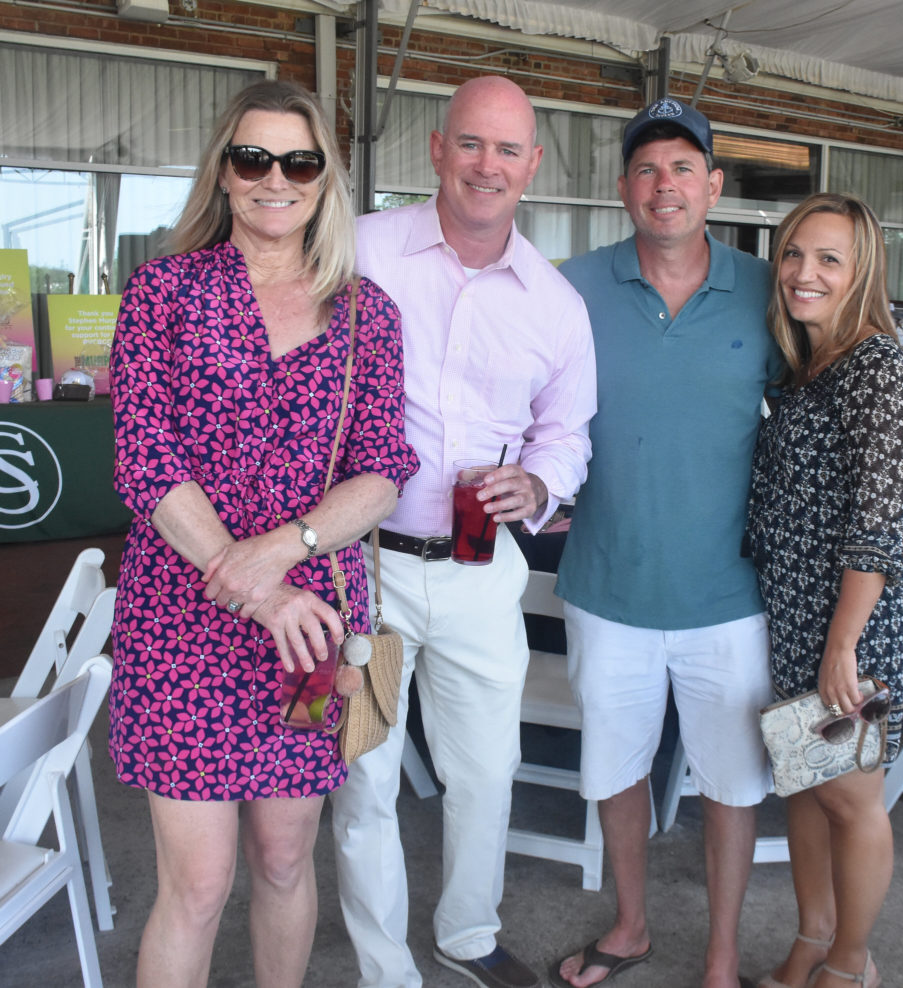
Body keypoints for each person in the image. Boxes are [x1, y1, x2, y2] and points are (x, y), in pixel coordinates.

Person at [108, 79, 418, 987]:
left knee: (286, 861)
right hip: (181, 625)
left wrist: (287, 553)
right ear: (225, 170)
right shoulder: (164, 291)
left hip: (310, 637)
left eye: (298, 161)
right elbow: (144, 462)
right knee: (197, 885)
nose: (273, 179)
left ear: (325, 180)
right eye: (252, 158)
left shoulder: (367, 314)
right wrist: (253, 582)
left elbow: (382, 472)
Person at [329, 75, 596, 988]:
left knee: (486, 772)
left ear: (533, 166)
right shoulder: (361, 251)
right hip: (362, 574)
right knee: (363, 777)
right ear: (438, 150)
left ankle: (468, 936)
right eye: (471, 144)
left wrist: (542, 478)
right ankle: (385, 968)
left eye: (508, 149)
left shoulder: (553, 303)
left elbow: (568, 432)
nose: (488, 165)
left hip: (484, 572)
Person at [550, 98, 782, 988]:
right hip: (608, 584)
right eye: (647, 169)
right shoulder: (572, 286)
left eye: (684, 167)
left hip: (733, 595)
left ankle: (721, 959)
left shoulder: (767, 291)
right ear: (622, 189)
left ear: (714, 185)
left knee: (734, 783)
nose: (666, 184)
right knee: (615, 768)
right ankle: (633, 926)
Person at [747, 193, 903, 988]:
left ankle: (852, 964)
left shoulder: (877, 367)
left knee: (851, 801)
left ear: (862, 275)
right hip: (796, 617)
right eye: (793, 255)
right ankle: (813, 939)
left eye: (828, 260)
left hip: (853, 630)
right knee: (807, 788)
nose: (804, 274)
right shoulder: (809, 363)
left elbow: (877, 526)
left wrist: (841, 647)